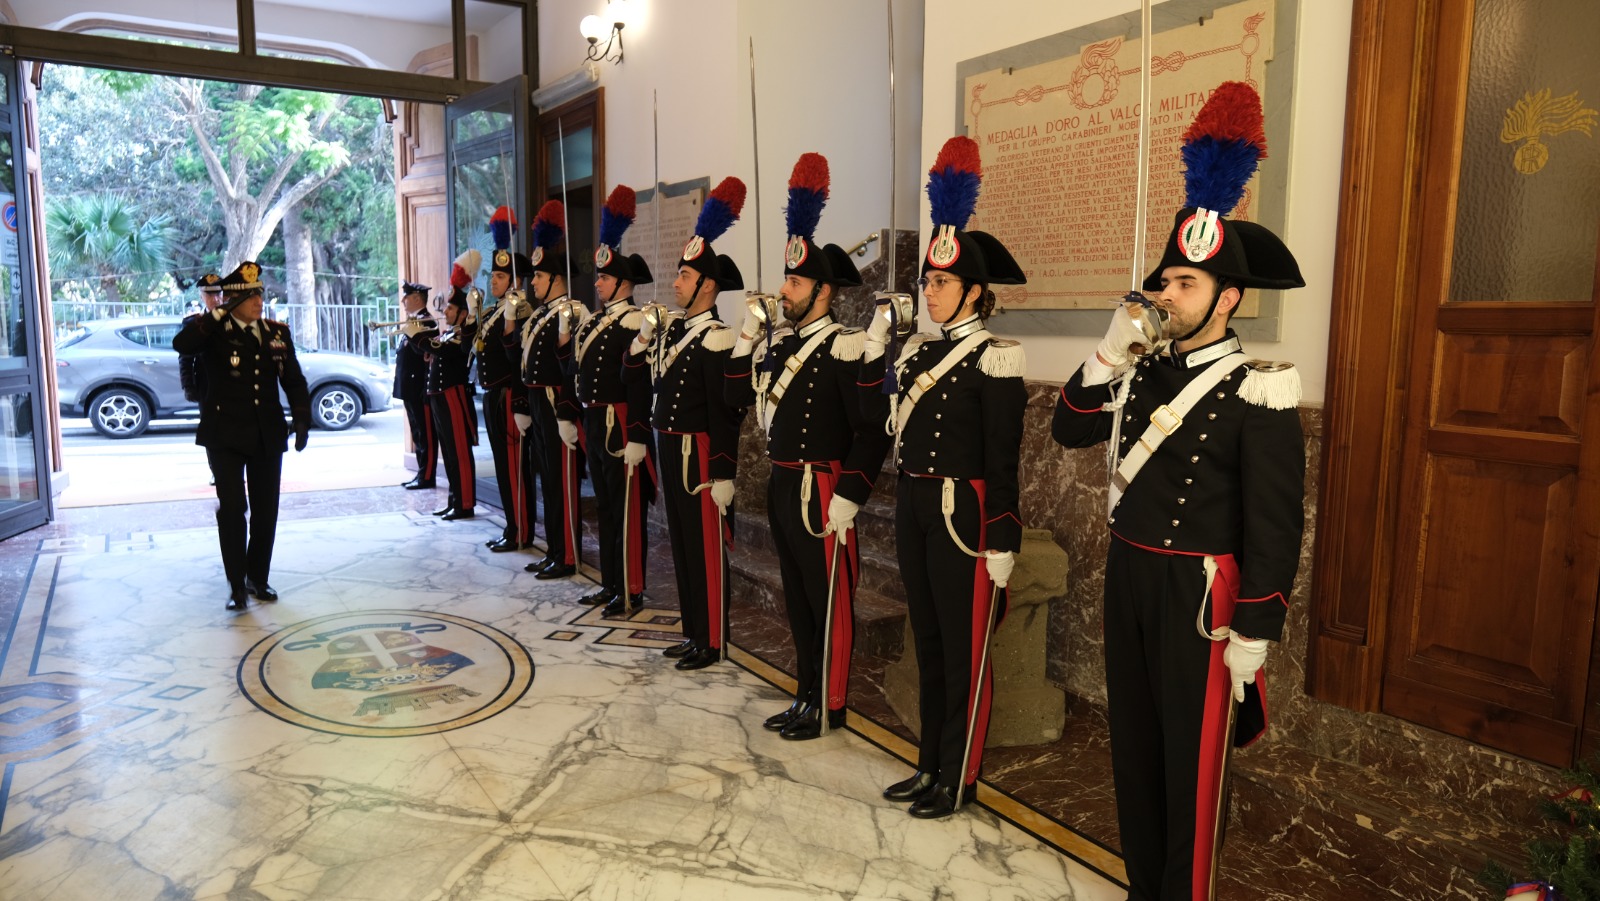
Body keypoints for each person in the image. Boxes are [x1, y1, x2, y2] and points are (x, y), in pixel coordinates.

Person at [1050, 81, 1306, 900]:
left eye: (1185, 284)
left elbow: (1277, 523)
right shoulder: (1139, 367)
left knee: (1192, 765)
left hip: (1200, 596)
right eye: (1164, 281)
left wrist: (1255, 627)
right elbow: (1067, 427)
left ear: (1228, 298)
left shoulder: (1258, 389)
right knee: (1134, 745)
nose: (1166, 295)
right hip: (1130, 573)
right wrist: (1107, 348)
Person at [865, 136, 1027, 819]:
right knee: (927, 640)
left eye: (941, 283)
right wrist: (876, 344)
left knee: (964, 650)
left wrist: (1002, 537)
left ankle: (959, 776)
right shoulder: (915, 353)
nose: (928, 292)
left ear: (975, 293)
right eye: (927, 281)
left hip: (964, 512)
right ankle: (929, 761)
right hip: (914, 502)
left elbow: (1004, 458)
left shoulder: (996, 359)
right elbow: (880, 414)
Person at [726, 153, 891, 740]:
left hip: (821, 487)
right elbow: (733, 396)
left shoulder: (846, 347)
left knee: (829, 600)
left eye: (794, 283)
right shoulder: (778, 345)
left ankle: (830, 703)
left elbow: (873, 428)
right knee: (798, 597)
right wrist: (747, 336)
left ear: (823, 291)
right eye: (786, 280)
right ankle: (805, 694)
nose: (783, 291)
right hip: (782, 482)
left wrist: (852, 492)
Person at [624, 176, 747, 671]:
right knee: (680, 544)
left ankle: (712, 640)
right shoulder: (672, 332)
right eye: (677, 274)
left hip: (699, 453)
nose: (675, 283)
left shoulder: (717, 337)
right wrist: (642, 337)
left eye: (684, 276)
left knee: (705, 549)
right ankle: (693, 631)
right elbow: (631, 375)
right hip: (669, 448)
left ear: (707, 285)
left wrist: (723, 472)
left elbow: (726, 413)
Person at [171, 261, 311, 610]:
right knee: (233, 510)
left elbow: (293, 379)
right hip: (225, 435)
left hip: (266, 433)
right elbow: (182, 345)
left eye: (260, 295)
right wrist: (219, 313)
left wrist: (302, 418)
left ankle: (257, 578)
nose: (260, 302)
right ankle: (236, 585)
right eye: (251, 297)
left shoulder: (276, 333)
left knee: (266, 511)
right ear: (234, 301)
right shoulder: (212, 331)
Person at [570, 185, 656, 617]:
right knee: (605, 506)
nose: (597, 283)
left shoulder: (636, 321)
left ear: (623, 283)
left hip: (620, 424)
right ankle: (610, 582)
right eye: (599, 277)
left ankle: (631, 586)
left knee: (626, 510)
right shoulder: (596, 322)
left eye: (604, 278)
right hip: (595, 420)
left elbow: (640, 384)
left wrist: (638, 434)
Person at [516, 200, 583, 580]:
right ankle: (554, 549)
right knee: (547, 479)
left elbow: (571, 367)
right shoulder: (541, 314)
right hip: (538, 399)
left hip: (557, 401)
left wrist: (567, 411)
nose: (533, 283)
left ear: (556, 278)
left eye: (539, 277)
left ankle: (567, 554)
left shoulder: (570, 312)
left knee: (561, 480)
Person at [477, 207, 535, 542]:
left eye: (500, 277)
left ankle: (521, 530)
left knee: (514, 464)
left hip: (509, 394)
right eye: (493, 276)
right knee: (502, 464)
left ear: (515, 281)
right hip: (492, 394)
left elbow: (518, 359)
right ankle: (511, 525)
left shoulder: (520, 310)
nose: (493, 281)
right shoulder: (493, 311)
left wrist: (520, 402)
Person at [414, 270, 480, 521]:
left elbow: (442, 350)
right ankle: (454, 499)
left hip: (453, 396)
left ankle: (465, 503)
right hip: (440, 397)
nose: (446, 312)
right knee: (449, 452)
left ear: (463, 313)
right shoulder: (450, 332)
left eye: (451, 309)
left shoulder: (462, 334)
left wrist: (417, 336)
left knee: (459, 451)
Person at [394, 282, 440, 490]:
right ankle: (422, 473)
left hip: (420, 387)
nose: (403, 300)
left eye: (407, 297)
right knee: (417, 432)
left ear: (417, 299)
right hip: (410, 387)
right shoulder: (413, 321)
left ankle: (427, 476)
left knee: (425, 433)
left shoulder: (427, 322)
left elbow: (424, 352)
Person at [179, 273, 223, 404]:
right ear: (201, 296)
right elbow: (185, 358)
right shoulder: (192, 323)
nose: (215, 299)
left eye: (218, 294)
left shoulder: (236, 320)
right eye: (209, 295)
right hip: (206, 385)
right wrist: (188, 386)